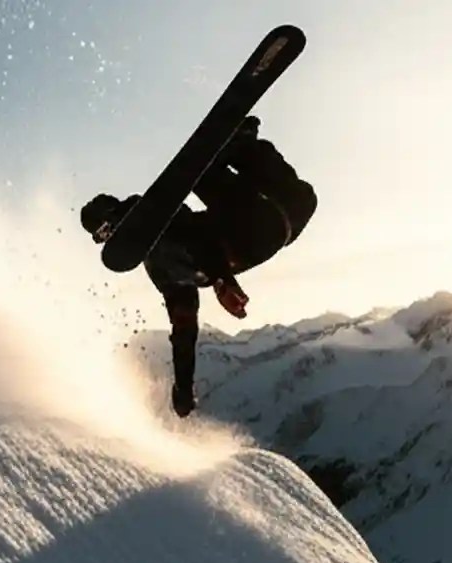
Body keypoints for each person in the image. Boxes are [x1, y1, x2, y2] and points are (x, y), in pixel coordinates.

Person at [80, 117, 317, 417]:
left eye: (106, 230)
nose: (108, 238)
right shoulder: (164, 271)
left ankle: (242, 147)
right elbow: (184, 328)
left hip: (256, 228)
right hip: (266, 229)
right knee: (298, 197)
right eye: (103, 235)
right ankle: (243, 146)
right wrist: (182, 385)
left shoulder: (161, 226)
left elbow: (199, 244)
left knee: (206, 176)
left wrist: (222, 281)